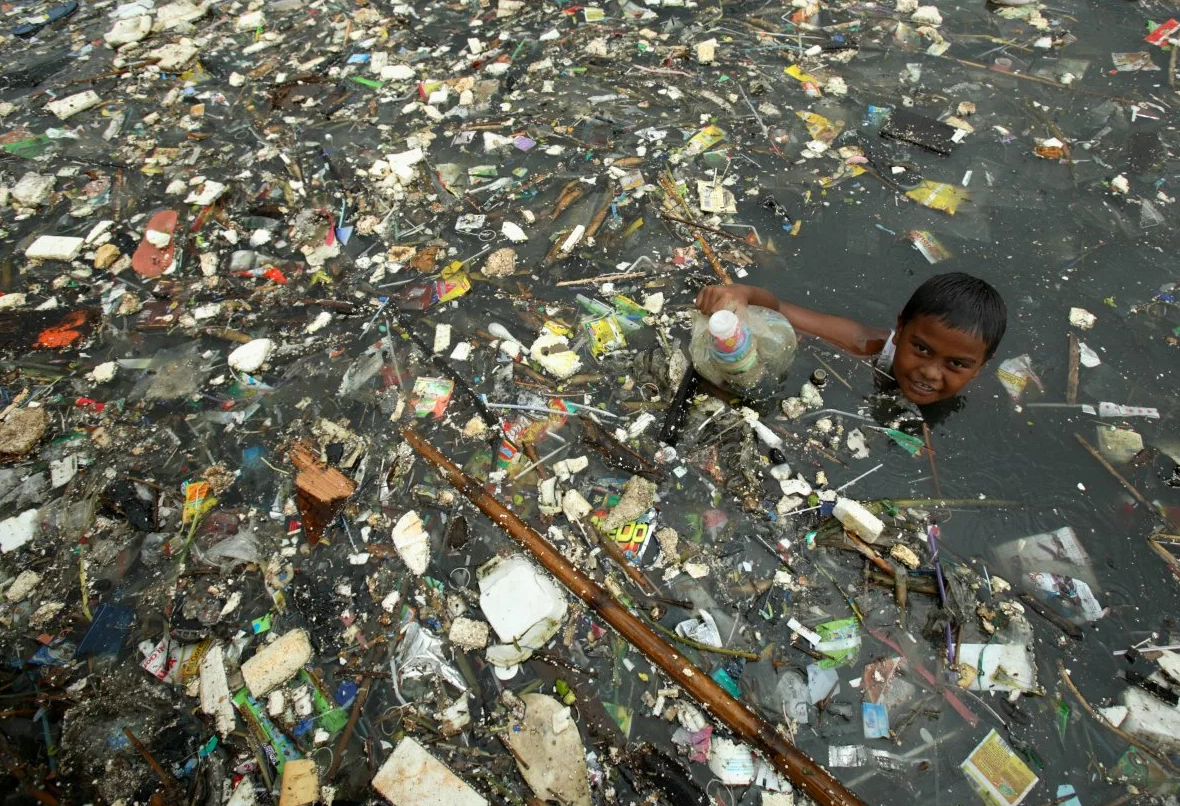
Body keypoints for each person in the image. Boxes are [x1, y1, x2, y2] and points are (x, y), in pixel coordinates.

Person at [695, 272, 1007, 405]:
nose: (930, 372)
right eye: (921, 348)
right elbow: (779, 309)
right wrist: (741, 293)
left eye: (956, 364)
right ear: (900, 329)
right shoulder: (865, 344)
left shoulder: (986, 395)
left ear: (980, 367)